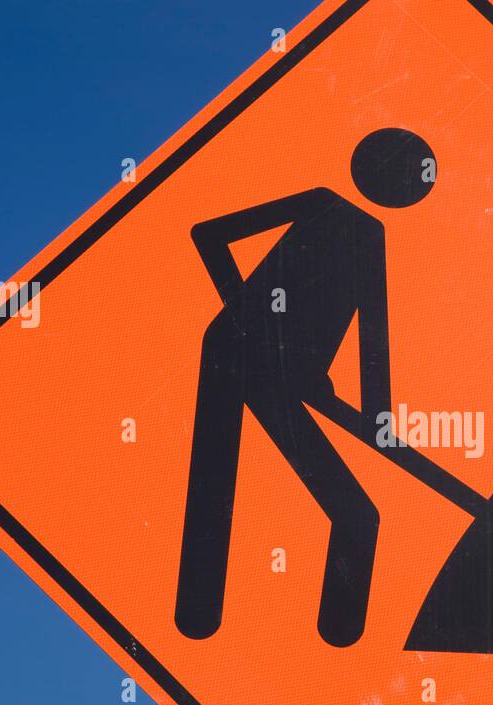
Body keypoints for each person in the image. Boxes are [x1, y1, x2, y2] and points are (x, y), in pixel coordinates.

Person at [175, 128, 437, 647]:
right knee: (214, 484)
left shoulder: (371, 236)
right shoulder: (321, 204)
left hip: (289, 373)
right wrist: (248, 318)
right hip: (231, 350)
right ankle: (195, 620)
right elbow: (209, 234)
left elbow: (372, 339)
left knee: (358, 515)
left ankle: (339, 643)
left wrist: (377, 420)